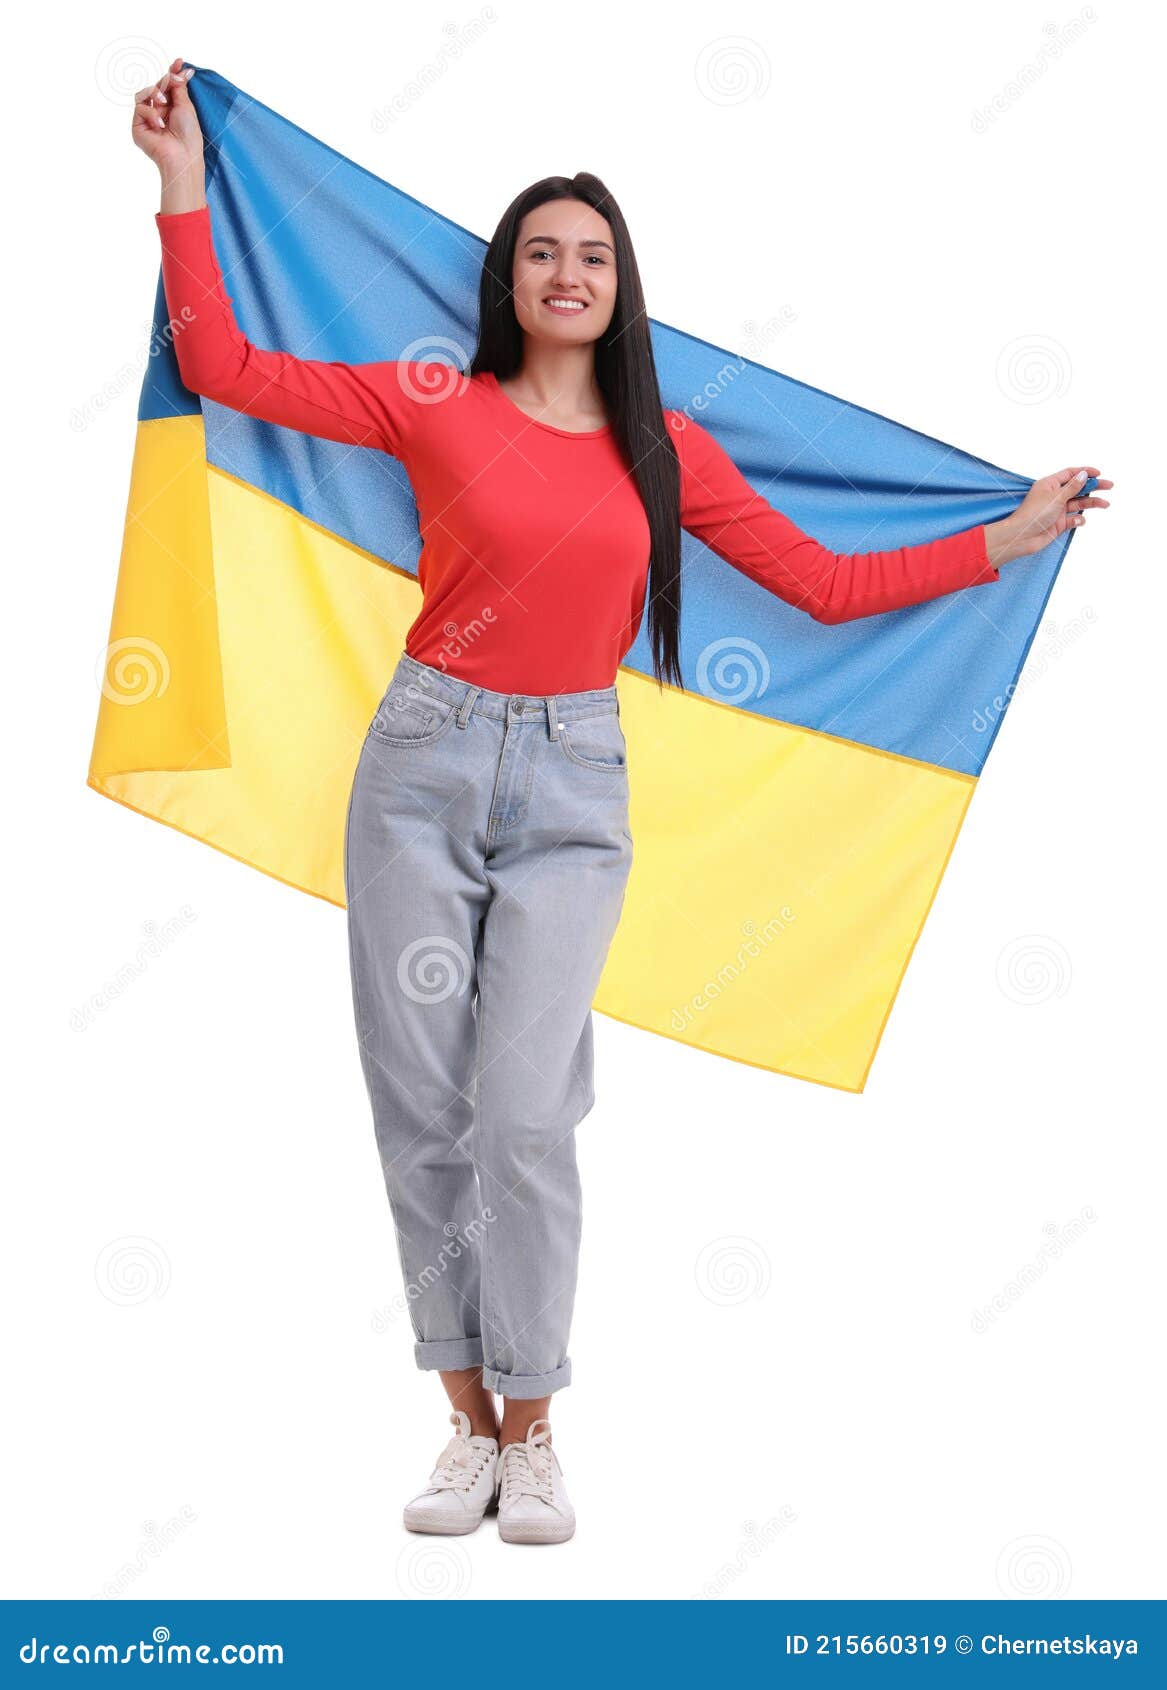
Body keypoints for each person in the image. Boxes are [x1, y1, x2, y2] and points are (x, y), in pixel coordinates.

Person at [132, 57, 1112, 1547]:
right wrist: (186, 189)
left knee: (522, 1109)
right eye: (542, 251)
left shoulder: (667, 454)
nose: (567, 271)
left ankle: (537, 1425)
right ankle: (463, 1425)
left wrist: (1009, 538)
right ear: (510, 281)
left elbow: (830, 584)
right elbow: (227, 371)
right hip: (419, 768)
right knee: (420, 1107)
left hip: (575, 785)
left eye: (592, 254)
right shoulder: (434, 405)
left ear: (621, 284)